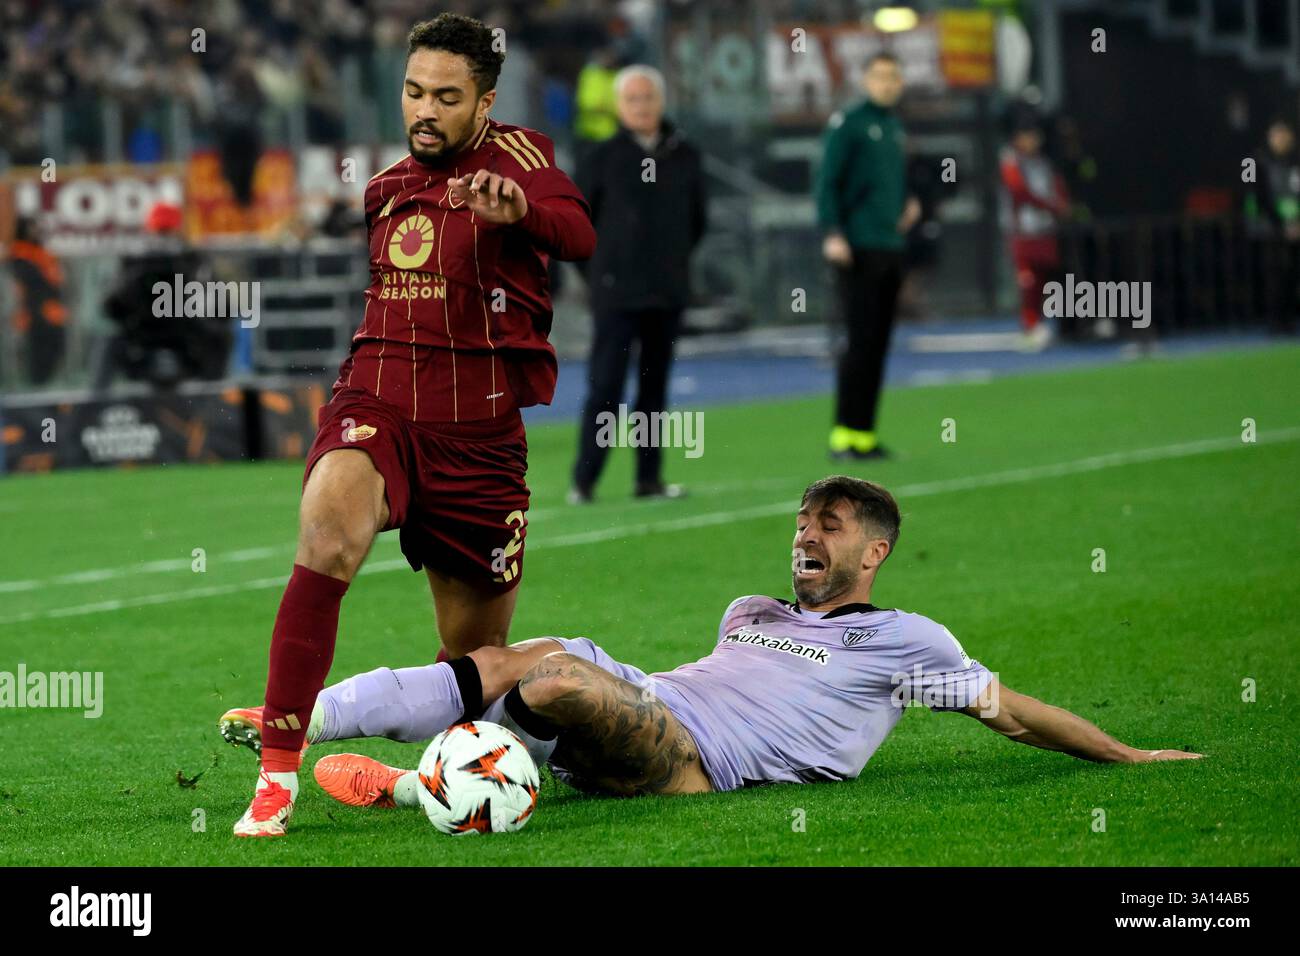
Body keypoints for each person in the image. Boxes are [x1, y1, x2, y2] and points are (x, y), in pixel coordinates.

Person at [220, 475, 1201, 807]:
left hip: (700, 763)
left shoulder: (906, 643)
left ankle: (417, 783)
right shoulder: (751, 611)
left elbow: (1015, 715)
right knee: (540, 650)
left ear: (877, 547)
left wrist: (1126, 752)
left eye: (831, 523)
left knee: (558, 679)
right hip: (654, 704)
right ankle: (304, 719)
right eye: (803, 520)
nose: (806, 534)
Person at [224, 13, 595, 837]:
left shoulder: (523, 162)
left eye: (446, 97)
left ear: (485, 101)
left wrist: (520, 212)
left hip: (480, 445)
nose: (424, 110)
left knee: (472, 668)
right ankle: (276, 778)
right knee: (326, 538)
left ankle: (421, 776)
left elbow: (578, 232)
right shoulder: (386, 190)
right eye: (413, 91)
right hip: (376, 409)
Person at [569, 64, 706, 503]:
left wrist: (673, 264)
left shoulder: (685, 154)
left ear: (661, 102)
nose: (642, 106)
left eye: (648, 98)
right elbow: (574, 224)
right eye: (632, 99)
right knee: (605, 387)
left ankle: (649, 479)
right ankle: (584, 482)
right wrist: (599, 276)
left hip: (666, 292)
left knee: (654, 390)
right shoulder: (601, 157)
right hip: (616, 294)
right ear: (618, 106)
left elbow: (698, 220)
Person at [817, 52, 920, 462]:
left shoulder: (894, 126)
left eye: (894, 76)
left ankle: (865, 433)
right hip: (857, 245)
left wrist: (909, 204)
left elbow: (893, 182)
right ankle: (843, 435)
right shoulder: (849, 123)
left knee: (878, 342)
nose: (887, 83)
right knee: (858, 341)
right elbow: (827, 181)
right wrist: (833, 232)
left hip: (889, 245)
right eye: (879, 76)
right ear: (864, 80)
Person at [1000, 111, 1070, 349]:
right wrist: (1051, 206)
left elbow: (1057, 187)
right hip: (1023, 231)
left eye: (1034, 136)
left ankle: (1053, 322)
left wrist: (1061, 204)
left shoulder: (1044, 162)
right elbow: (1019, 191)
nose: (1031, 142)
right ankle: (1030, 325)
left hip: (1046, 229)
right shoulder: (1010, 161)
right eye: (1026, 136)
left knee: (1048, 278)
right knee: (1028, 280)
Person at [1247, 117, 1300, 334]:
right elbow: (1260, 197)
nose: (1280, 139)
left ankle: (1289, 320)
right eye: (1276, 135)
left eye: (1284, 135)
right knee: (1274, 275)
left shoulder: (1295, 163)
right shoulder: (1256, 161)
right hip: (1269, 229)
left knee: (1292, 275)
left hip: (1295, 227)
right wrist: (1282, 225)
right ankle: (1275, 322)